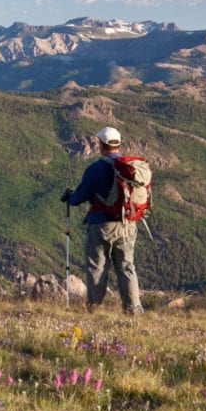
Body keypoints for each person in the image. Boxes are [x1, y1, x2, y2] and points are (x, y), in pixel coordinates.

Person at [61, 127, 143, 314]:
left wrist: (69, 198)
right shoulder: (129, 167)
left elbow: (79, 197)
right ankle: (133, 310)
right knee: (126, 267)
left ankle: (95, 308)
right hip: (128, 223)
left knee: (97, 267)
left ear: (101, 145)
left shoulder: (96, 168)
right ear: (118, 144)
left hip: (102, 224)